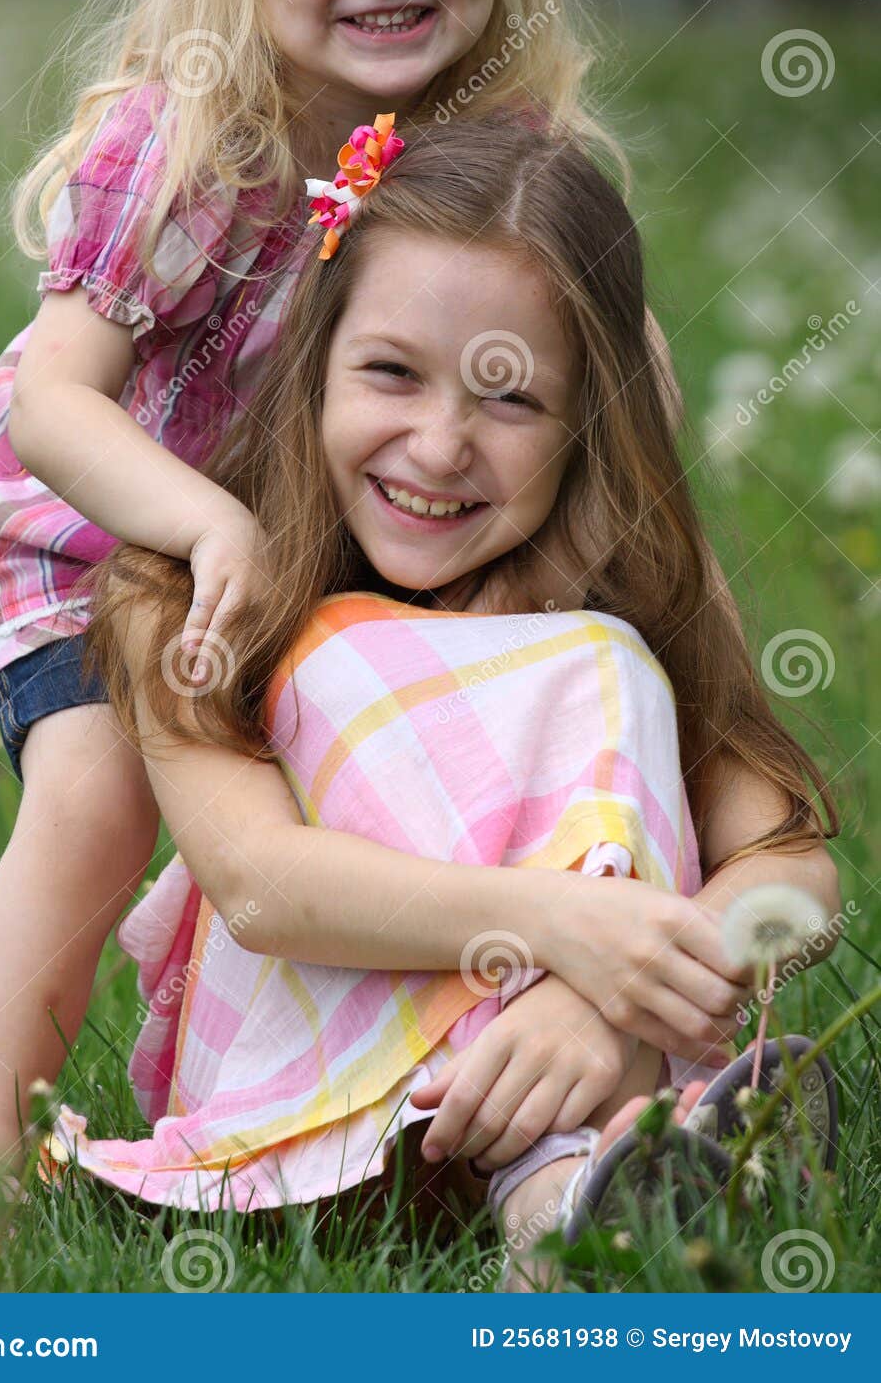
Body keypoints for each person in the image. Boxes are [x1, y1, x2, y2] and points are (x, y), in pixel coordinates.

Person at [0, 0, 652, 1247]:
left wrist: (619, 501)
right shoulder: (184, 142)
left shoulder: (480, 147)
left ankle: (381, 1101)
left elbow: (616, 366)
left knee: (399, 756)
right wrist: (202, 517)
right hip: (91, 526)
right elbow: (54, 408)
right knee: (96, 798)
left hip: (300, 525)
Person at [48, 112, 840, 1290]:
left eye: (511, 401)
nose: (438, 443)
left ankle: (589, 1204)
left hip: (574, 1054)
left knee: (602, 653)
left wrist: (598, 1003)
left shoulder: (631, 588)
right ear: (314, 362)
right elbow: (262, 887)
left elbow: (794, 868)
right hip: (315, 1122)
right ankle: (600, 1194)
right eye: (389, 373)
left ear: (588, 419)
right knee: (355, 658)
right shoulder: (184, 594)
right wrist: (565, 928)